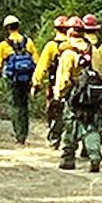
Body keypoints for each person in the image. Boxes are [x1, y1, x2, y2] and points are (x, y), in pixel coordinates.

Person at [56, 16, 102, 172]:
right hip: (92, 95)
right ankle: (95, 156)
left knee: (71, 126)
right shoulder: (95, 50)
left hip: (75, 96)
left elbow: (64, 79)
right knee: (91, 126)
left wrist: (60, 95)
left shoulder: (68, 53)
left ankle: (68, 159)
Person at [0, 15, 38, 145]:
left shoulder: (4, 45)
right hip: (27, 78)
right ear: (18, 26)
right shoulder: (28, 42)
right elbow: (36, 60)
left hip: (13, 79)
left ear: (7, 28)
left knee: (15, 105)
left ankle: (18, 134)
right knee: (24, 105)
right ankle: (24, 132)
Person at [33, 15, 70, 149]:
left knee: (54, 111)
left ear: (55, 29)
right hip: (73, 85)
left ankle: (54, 139)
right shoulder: (74, 44)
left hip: (55, 85)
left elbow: (42, 66)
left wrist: (36, 83)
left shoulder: (51, 46)